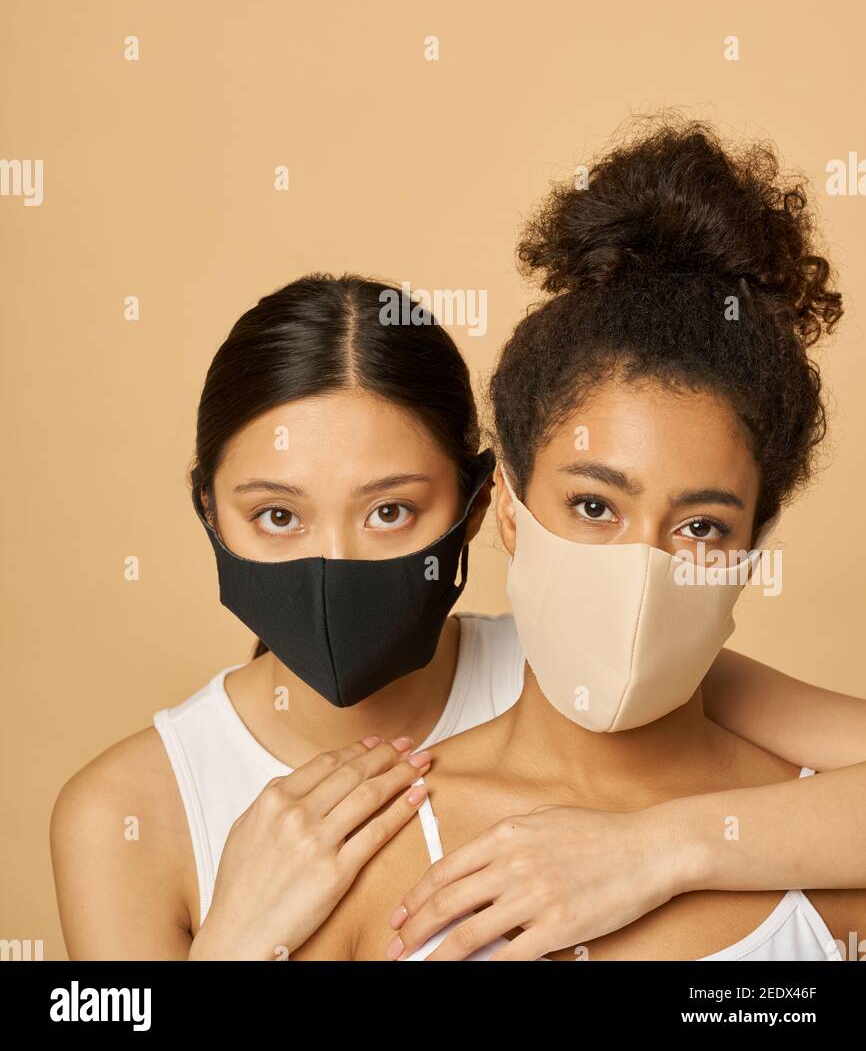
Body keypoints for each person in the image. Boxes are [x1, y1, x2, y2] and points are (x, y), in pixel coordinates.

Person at [51, 173, 866, 960]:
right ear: (208, 510)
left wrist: (654, 850)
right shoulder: (124, 813)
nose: (333, 564)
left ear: (480, 506)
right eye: (278, 515)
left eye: (389, 511)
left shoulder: (586, 654)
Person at [287, 118, 866, 961]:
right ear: (510, 508)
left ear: (752, 546)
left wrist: (661, 850)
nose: (640, 568)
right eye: (595, 506)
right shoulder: (366, 854)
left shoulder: (829, 860)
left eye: (701, 526)